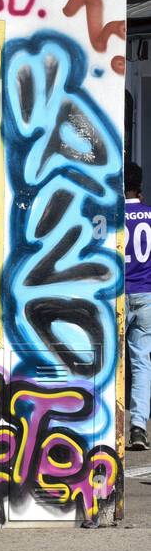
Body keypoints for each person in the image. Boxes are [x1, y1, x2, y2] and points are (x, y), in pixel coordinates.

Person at [125, 163, 151, 450]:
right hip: (146, 294)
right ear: (139, 188)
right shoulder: (149, 216)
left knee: (110, 359)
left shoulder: (112, 216)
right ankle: (138, 426)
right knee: (141, 361)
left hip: (118, 294)